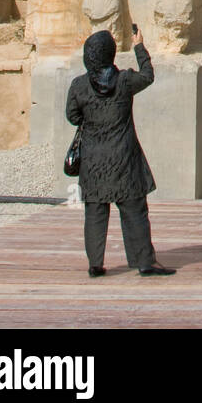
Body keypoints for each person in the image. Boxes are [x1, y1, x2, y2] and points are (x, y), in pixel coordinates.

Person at [65, 27, 175, 278]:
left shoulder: (79, 85)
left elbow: (72, 117)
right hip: (123, 156)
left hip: (93, 159)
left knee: (94, 211)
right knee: (134, 209)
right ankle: (144, 261)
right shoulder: (124, 80)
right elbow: (147, 76)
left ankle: (95, 264)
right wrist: (139, 46)